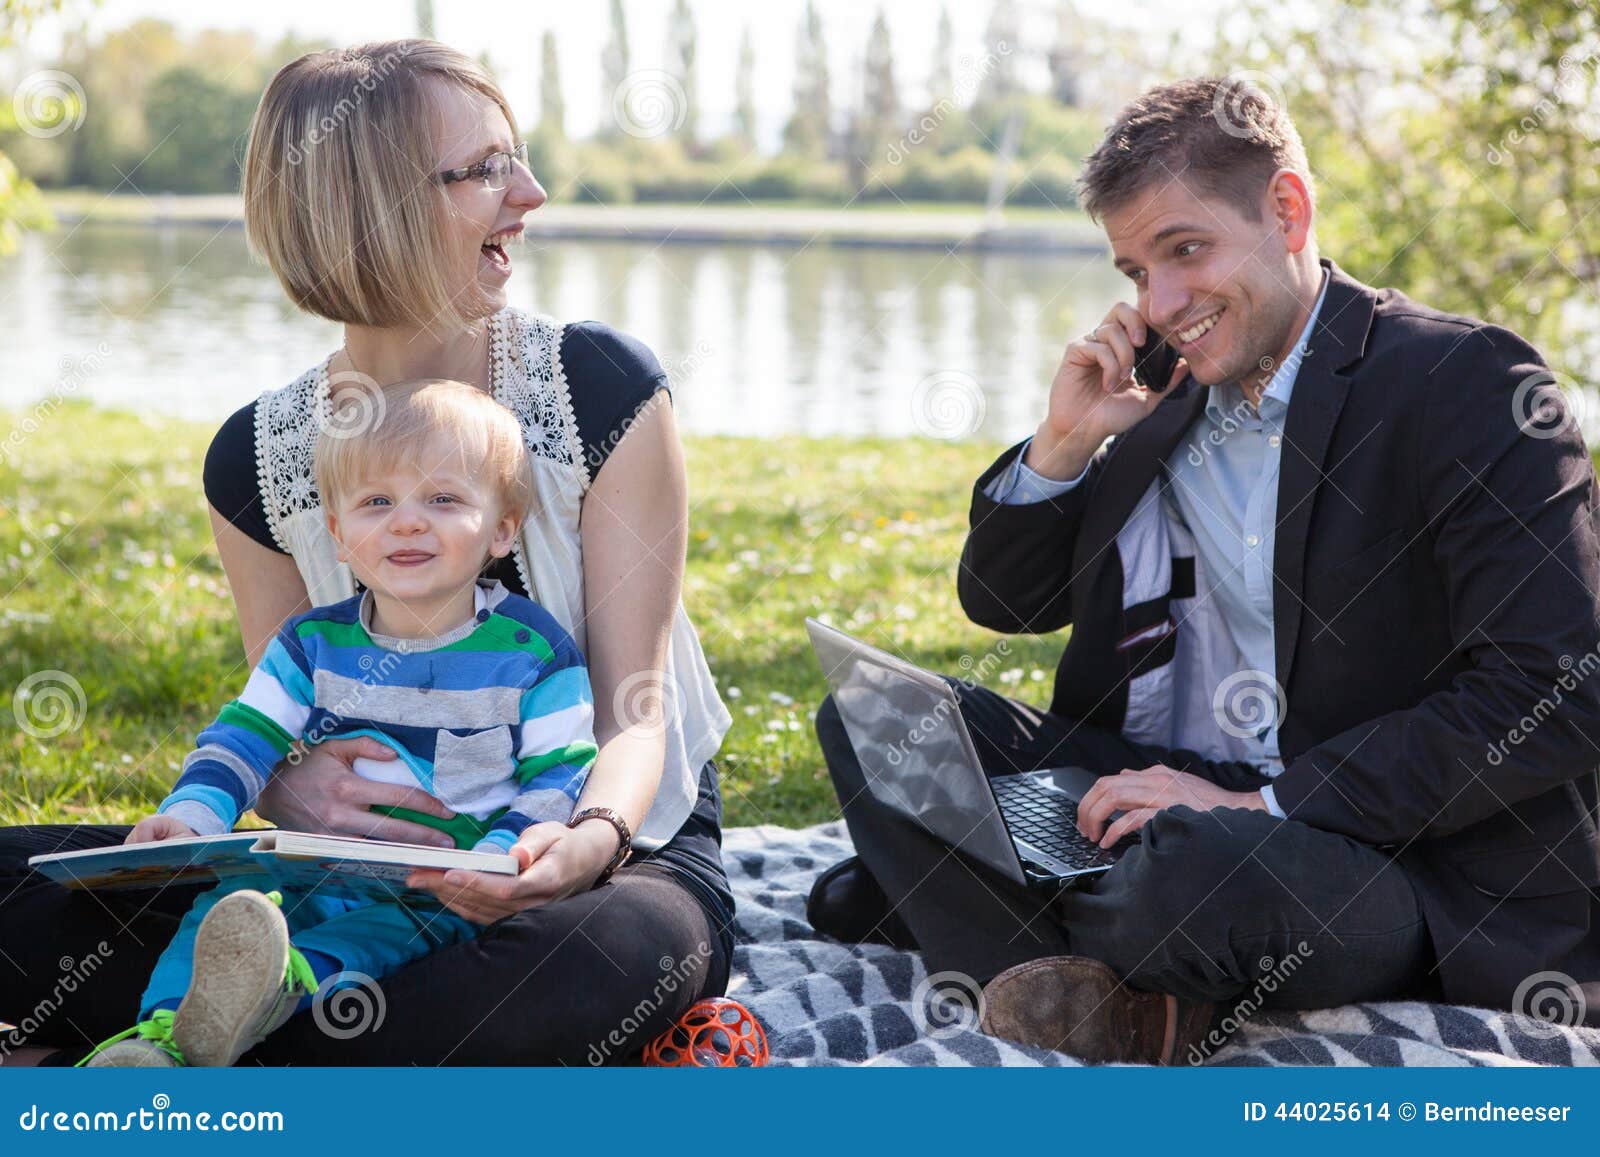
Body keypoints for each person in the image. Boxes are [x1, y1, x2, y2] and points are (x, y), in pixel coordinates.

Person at [810, 76, 1600, 1063]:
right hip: (1176, 792)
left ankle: (980, 918)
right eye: (1136, 270)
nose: (1161, 303)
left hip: (1384, 853)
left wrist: (1260, 804)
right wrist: (1060, 445)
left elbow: (1555, 691)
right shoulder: (1168, 397)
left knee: (1192, 870)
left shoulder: (1467, 383)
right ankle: (1079, 985)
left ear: (1286, 209)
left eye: (1184, 252)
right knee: (876, 719)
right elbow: (1006, 601)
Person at [0, 40, 734, 1066]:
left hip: (617, 846)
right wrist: (278, 786)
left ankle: (198, 1046)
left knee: (612, 958)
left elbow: (633, 710)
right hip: (343, 875)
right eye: (482, 170)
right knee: (28, 882)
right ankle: (249, 1020)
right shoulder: (254, 460)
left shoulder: (597, 387)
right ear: (371, 203)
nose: (529, 192)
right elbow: (287, 718)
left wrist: (581, 845)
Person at [81, 380, 600, 1067]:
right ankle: (161, 1042)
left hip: (439, 886)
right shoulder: (310, 644)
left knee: (377, 937)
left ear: (502, 527)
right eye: (377, 503)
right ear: (340, 534)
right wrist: (194, 812)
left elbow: (558, 771)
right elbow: (244, 735)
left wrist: (499, 853)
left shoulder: (533, 651)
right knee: (222, 910)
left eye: (442, 499)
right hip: (310, 862)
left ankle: (281, 988)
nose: (408, 522)